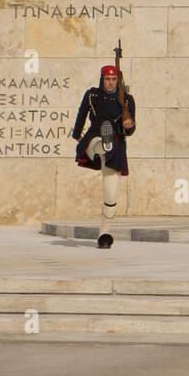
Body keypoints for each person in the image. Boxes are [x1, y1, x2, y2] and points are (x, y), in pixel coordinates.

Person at [71, 62, 136, 249]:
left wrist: (129, 126)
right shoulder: (92, 95)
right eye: (107, 79)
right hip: (94, 138)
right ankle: (104, 145)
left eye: (114, 79)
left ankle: (104, 233)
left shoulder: (127, 100)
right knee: (97, 144)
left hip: (117, 146)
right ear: (102, 79)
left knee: (111, 194)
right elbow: (82, 113)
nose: (110, 83)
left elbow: (131, 130)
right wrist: (76, 133)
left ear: (118, 80)